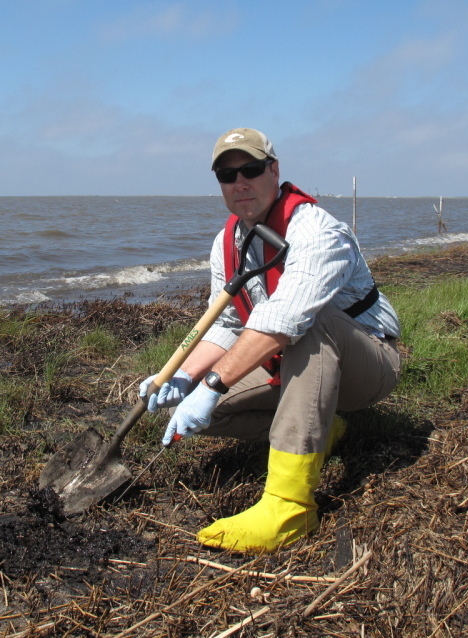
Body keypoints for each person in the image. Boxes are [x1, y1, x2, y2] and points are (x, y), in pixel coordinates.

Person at [139, 128, 401, 554]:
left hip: (367, 365)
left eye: (251, 169)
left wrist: (213, 383)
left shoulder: (316, 230)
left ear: (274, 170)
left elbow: (286, 318)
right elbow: (227, 324)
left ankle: (289, 507)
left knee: (310, 321)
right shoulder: (227, 242)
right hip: (294, 362)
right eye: (227, 175)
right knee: (199, 408)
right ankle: (325, 430)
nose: (240, 183)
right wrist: (185, 378)